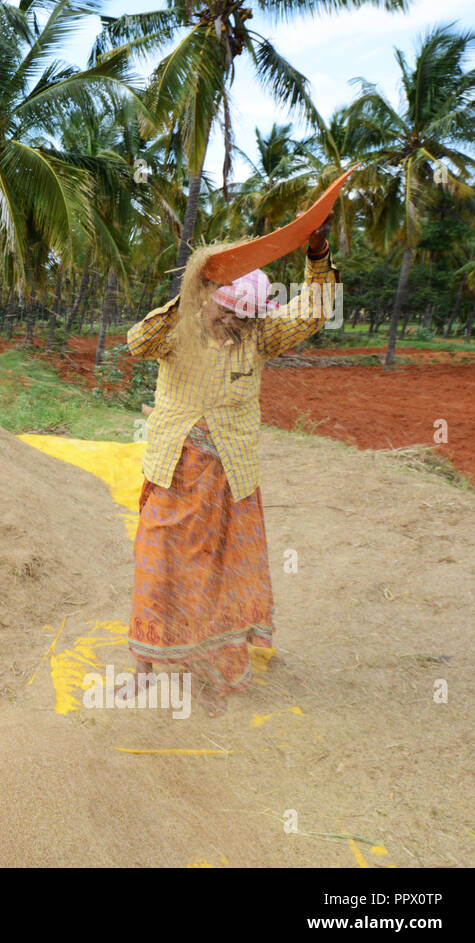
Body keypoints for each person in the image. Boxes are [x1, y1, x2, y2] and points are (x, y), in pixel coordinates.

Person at [123, 218, 339, 715]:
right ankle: (143, 670)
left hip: (231, 477)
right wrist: (190, 292)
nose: (235, 324)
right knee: (158, 566)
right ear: (208, 299)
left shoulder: (259, 336)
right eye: (228, 313)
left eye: (245, 317)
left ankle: (216, 666)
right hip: (173, 473)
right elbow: (137, 341)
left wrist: (317, 252)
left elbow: (314, 311)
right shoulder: (177, 331)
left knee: (223, 574)